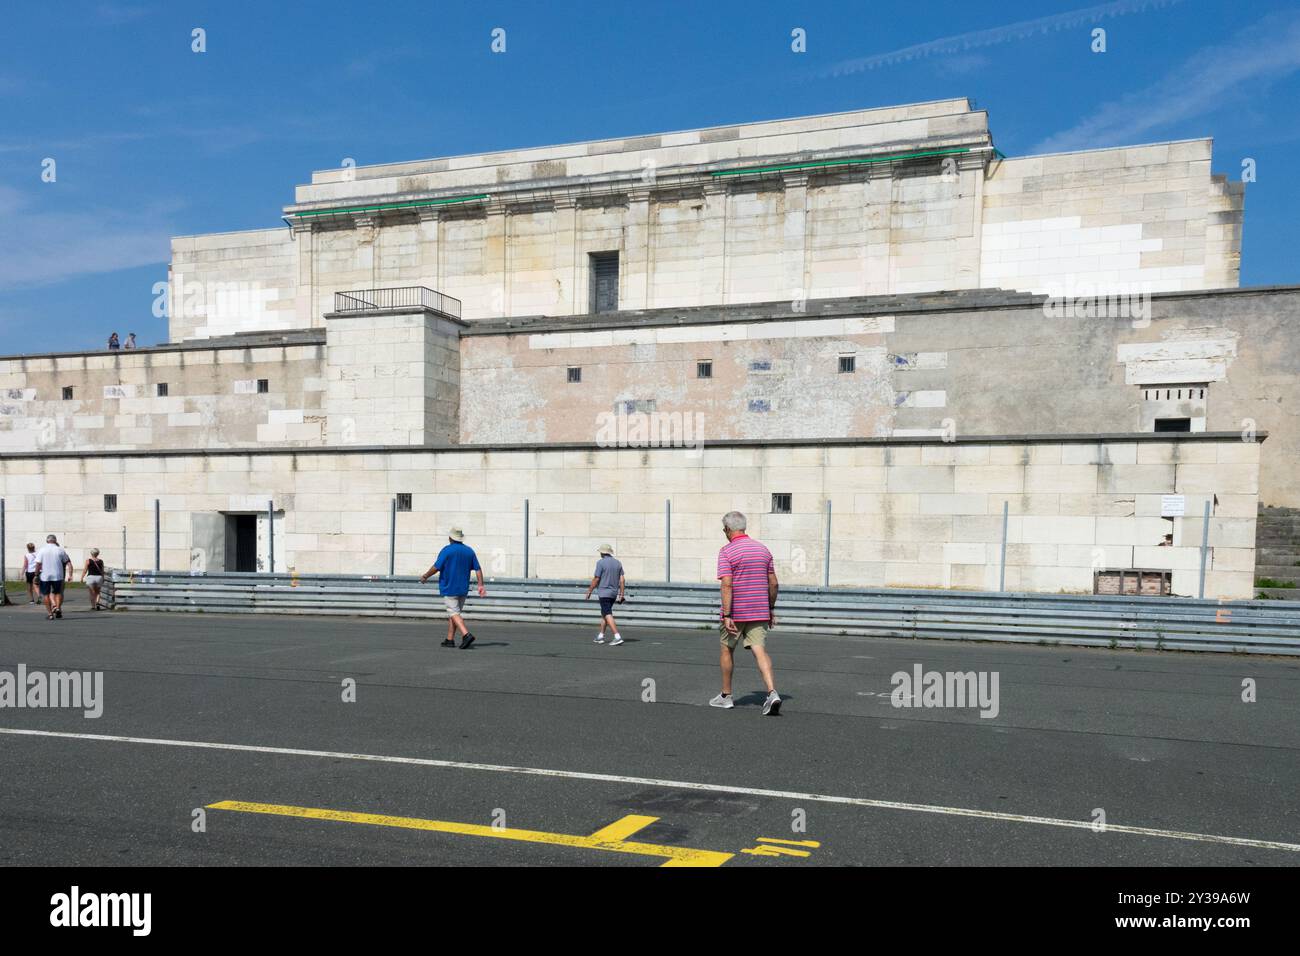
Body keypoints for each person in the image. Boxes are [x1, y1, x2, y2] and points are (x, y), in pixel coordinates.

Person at [711, 511, 781, 715]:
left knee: (727, 650)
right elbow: (774, 583)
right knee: (760, 650)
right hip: (759, 610)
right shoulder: (763, 550)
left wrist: (726, 614)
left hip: (736, 612)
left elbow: (727, 584)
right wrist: (771, 608)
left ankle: (726, 696)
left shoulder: (726, 551)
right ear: (744, 527)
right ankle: (772, 692)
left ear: (727, 529)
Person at [419, 527, 485, 649]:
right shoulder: (469, 551)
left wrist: (425, 576)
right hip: (463, 588)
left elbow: (436, 566)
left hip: (449, 587)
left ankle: (466, 634)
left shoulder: (447, 550)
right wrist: (481, 585)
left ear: (450, 538)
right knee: (454, 614)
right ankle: (450, 639)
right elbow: (478, 569)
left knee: (453, 613)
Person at [584, 544, 626, 645]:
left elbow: (596, 578)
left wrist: (589, 590)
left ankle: (617, 636)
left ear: (603, 553)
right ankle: (601, 636)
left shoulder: (601, 563)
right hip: (614, 593)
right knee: (604, 614)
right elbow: (622, 580)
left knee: (607, 613)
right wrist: (621, 594)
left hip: (604, 592)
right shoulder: (618, 563)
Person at [33, 534, 72, 621]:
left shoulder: (42, 550)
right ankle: (57, 608)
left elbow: (38, 564)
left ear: (47, 541)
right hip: (58, 575)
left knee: (46, 594)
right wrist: (70, 574)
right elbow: (67, 561)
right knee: (58, 593)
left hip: (45, 576)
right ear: (55, 541)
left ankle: (50, 614)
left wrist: (36, 575)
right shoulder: (60, 550)